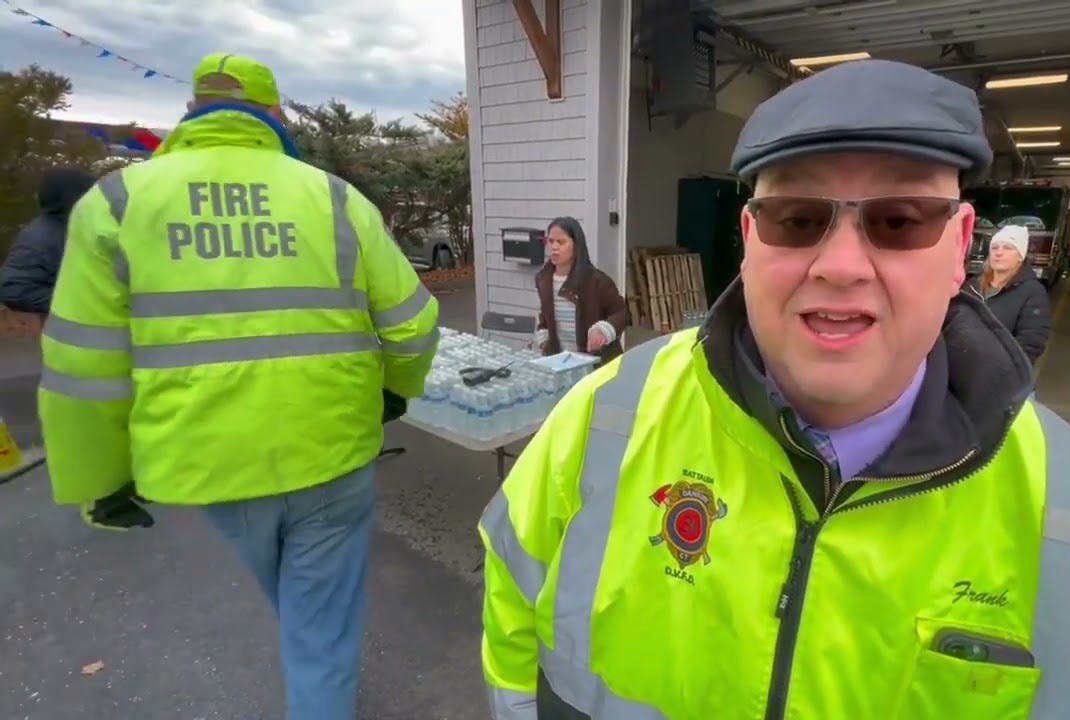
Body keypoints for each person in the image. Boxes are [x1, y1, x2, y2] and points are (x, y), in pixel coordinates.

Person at [477, 59, 1070, 719]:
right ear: (749, 239)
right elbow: (512, 602)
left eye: (899, 220)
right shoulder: (607, 419)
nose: (840, 264)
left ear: (960, 248)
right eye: (797, 218)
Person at [38, 53, 439, 720]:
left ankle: (319, 677)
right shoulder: (332, 197)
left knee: (300, 607)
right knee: (319, 621)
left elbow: (82, 366)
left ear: (191, 112)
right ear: (275, 115)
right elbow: (415, 325)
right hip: (333, 454)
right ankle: (321, 681)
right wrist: (396, 391)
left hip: (211, 465)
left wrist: (99, 480)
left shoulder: (117, 201)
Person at [0, 167, 97, 319]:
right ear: (72, 197)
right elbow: (13, 289)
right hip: (71, 335)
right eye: (90, 194)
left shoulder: (77, 227)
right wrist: (80, 300)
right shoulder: (40, 236)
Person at [533, 216, 627, 363]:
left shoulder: (597, 281)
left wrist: (602, 330)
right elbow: (544, 318)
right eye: (551, 241)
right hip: (562, 362)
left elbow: (622, 313)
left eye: (561, 242)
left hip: (598, 364)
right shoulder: (543, 280)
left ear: (576, 246)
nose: (554, 247)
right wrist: (544, 341)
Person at [971, 224, 1052, 365]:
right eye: (995, 247)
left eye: (1008, 248)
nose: (999, 252)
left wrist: (1001, 368)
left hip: (999, 373)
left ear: (1020, 256)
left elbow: (1031, 342)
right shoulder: (973, 285)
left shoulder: (1033, 292)